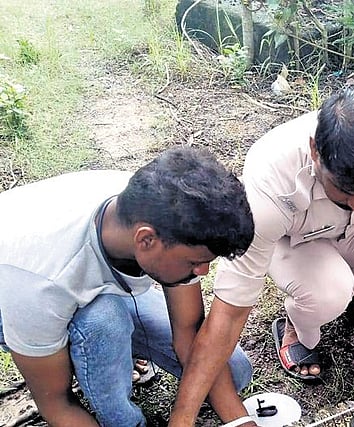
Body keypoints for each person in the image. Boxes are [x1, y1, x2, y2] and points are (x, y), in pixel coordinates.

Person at [167, 87, 354, 425]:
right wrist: (183, 417)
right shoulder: (270, 186)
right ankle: (296, 326)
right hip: (293, 242)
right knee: (328, 294)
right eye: (345, 190)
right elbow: (228, 316)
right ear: (315, 150)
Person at [0, 147, 256, 426]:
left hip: (72, 282)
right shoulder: (39, 283)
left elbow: (188, 333)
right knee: (104, 323)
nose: (202, 272)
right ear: (146, 240)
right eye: (195, 263)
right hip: (13, 300)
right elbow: (57, 404)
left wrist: (236, 421)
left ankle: (114, 351)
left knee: (233, 372)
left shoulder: (172, 214)